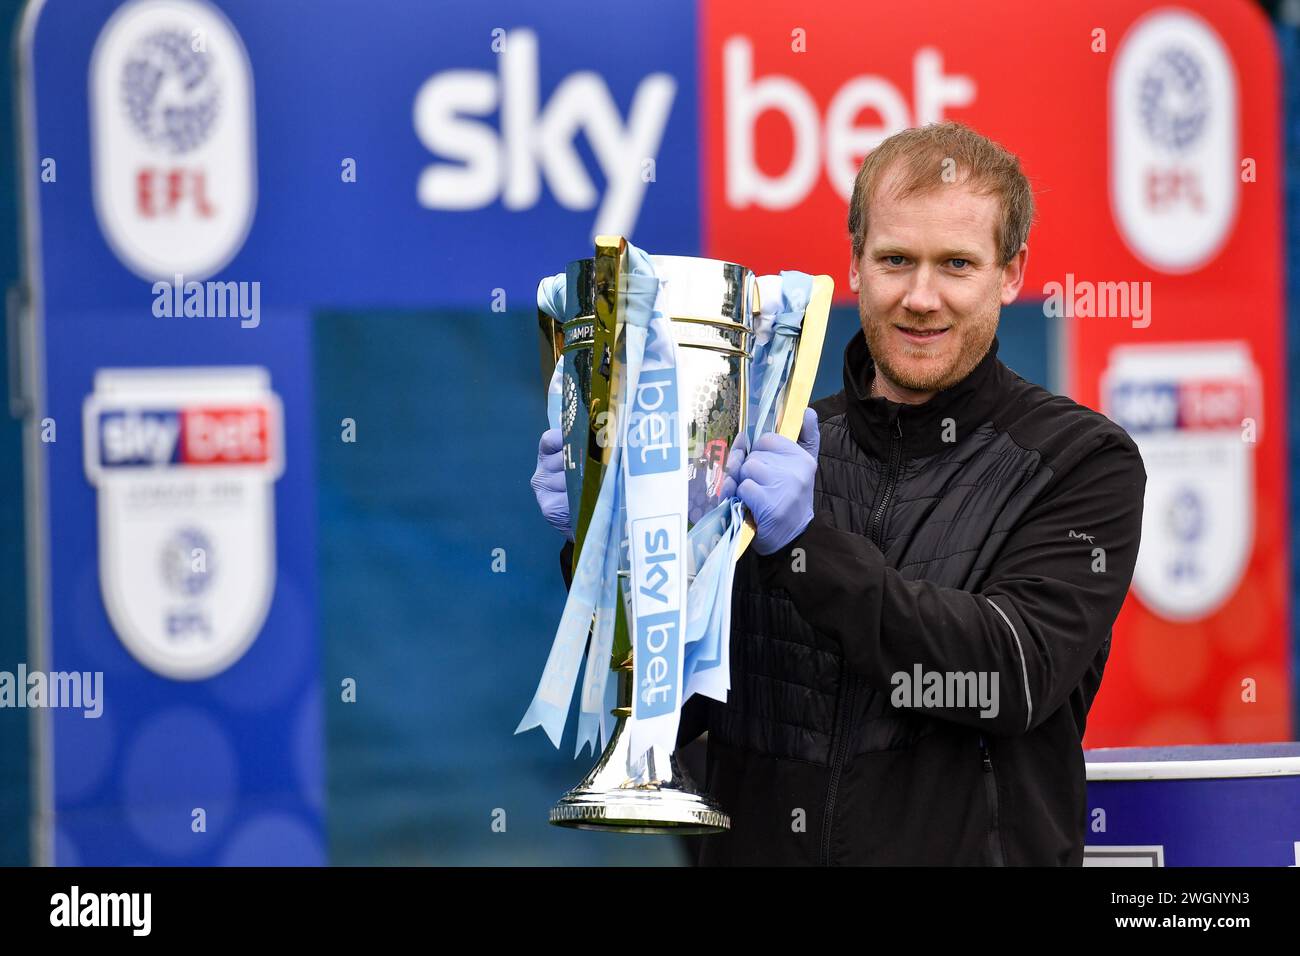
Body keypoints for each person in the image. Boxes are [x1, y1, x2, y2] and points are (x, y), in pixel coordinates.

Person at [531, 121, 1146, 865]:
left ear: (1011, 274)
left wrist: (807, 549)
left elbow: (1007, 679)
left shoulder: (1083, 461)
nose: (922, 297)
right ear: (854, 264)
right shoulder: (767, 448)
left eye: (956, 264)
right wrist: (606, 536)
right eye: (895, 260)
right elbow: (674, 709)